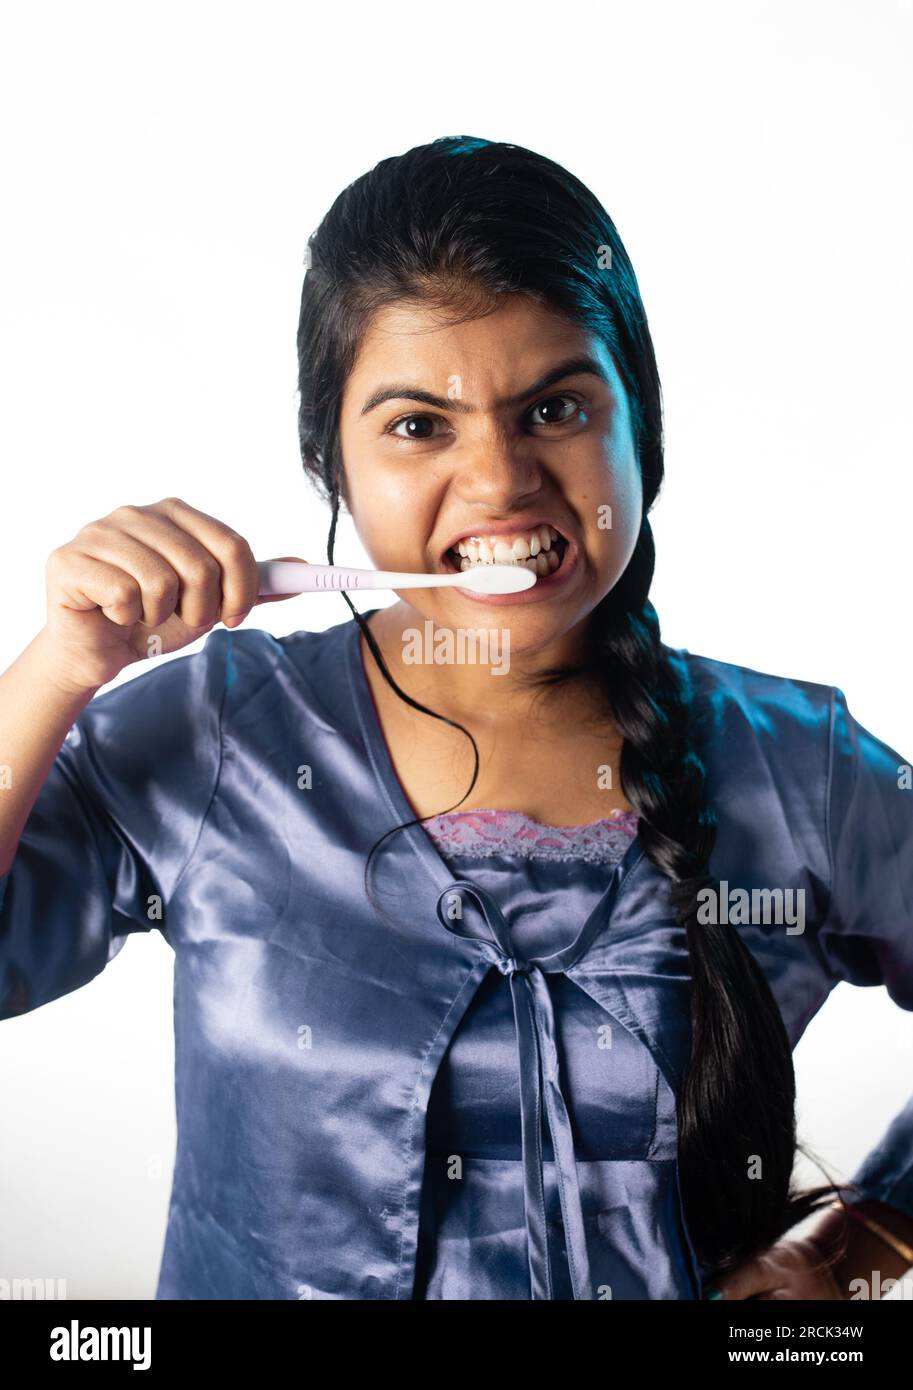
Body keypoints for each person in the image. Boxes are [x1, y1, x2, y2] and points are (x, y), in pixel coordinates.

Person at [2, 135, 912, 1300]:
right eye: (417, 425)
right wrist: (59, 664)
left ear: (641, 425)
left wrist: (858, 1245)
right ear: (330, 460)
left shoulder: (800, 768)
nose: (497, 480)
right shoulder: (213, 734)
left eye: (554, 407)